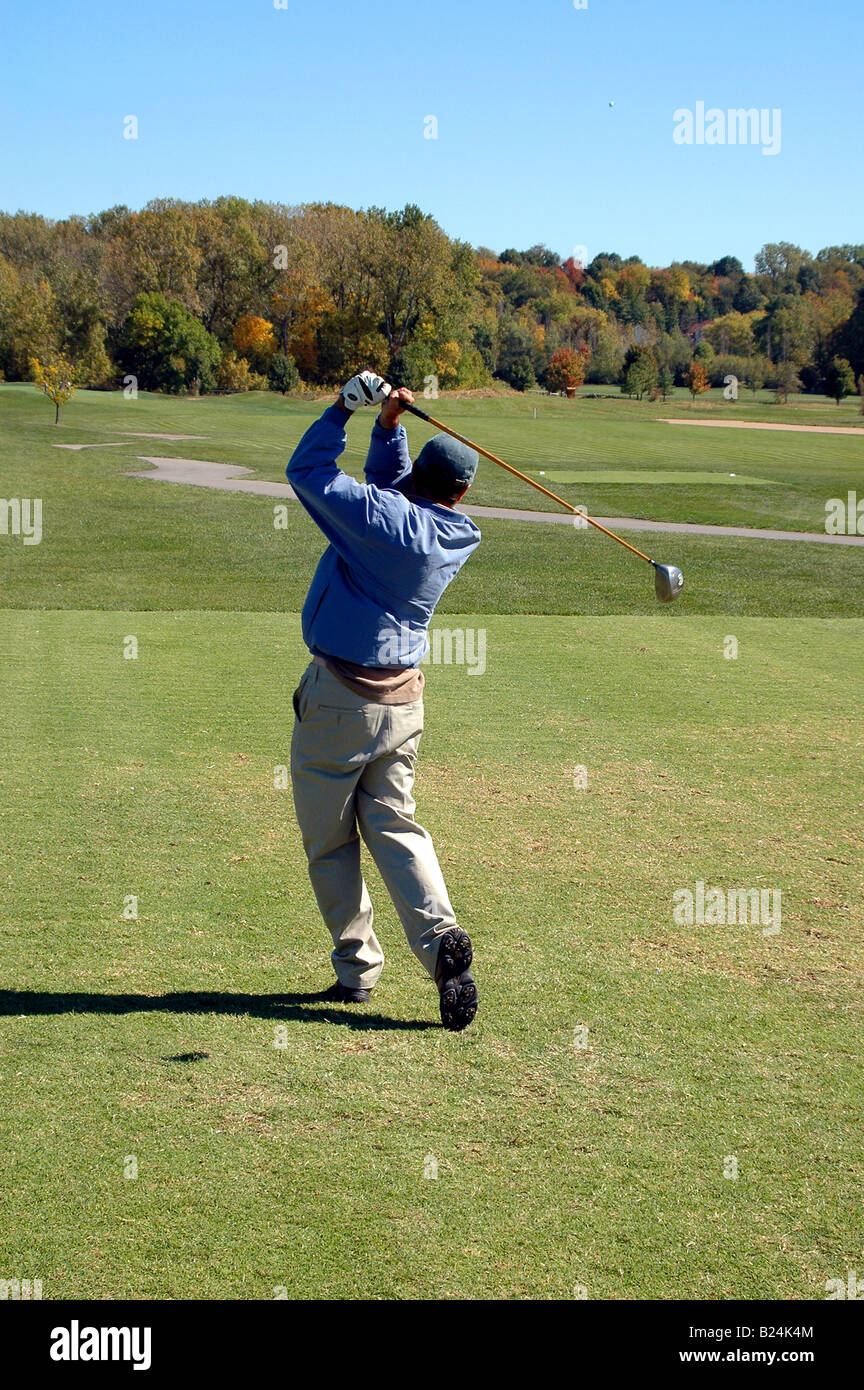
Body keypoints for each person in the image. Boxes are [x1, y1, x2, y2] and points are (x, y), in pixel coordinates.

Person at [287, 371, 481, 1031]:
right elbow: (398, 498)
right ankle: (441, 942)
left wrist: (346, 407)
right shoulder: (456, 535)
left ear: (419, 476)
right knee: (396, 826)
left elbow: (307, 468)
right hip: (404, 705)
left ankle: (357, 968)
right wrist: (390, 430)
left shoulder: (379, 516)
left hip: (341, 699)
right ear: (459, 493)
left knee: (329, 841)